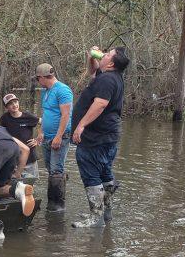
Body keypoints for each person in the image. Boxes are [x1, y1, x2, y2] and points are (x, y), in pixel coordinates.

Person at [70, 46, 130, 228]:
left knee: (91, 173)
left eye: (108, 54)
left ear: (111, 63)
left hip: (96, 138)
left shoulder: (107, 80)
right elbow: (93, 71)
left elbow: (101, 104)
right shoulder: (111, 76)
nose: (104, 54)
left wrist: (81, 125)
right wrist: (91, 58)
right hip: (108, 136)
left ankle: (95, 218)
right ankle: (106, 212)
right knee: (104, 172)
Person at [36, 63, 74, 211]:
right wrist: (41, 131)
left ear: (42, 77)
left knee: (56, 171)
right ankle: (60, 187)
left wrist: (58, 136)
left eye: (38, 79)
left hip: (60, 136)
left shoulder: (63, 90)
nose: (38, 81)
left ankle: (56, 207)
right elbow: (46, 112)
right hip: (46, 136)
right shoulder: (45, 91)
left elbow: (66, 115)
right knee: (51, 169)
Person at [0, 93, 40, 179]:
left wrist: (38, 139)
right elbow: (1, 134)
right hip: (13, 159)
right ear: (6, 107)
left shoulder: (28, 116)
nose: (14, 105)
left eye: (15, 102)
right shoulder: (4, 119)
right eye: (10, 104)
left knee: (30, 184)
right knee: (14, 184)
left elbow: (43, 123)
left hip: (30, 159)